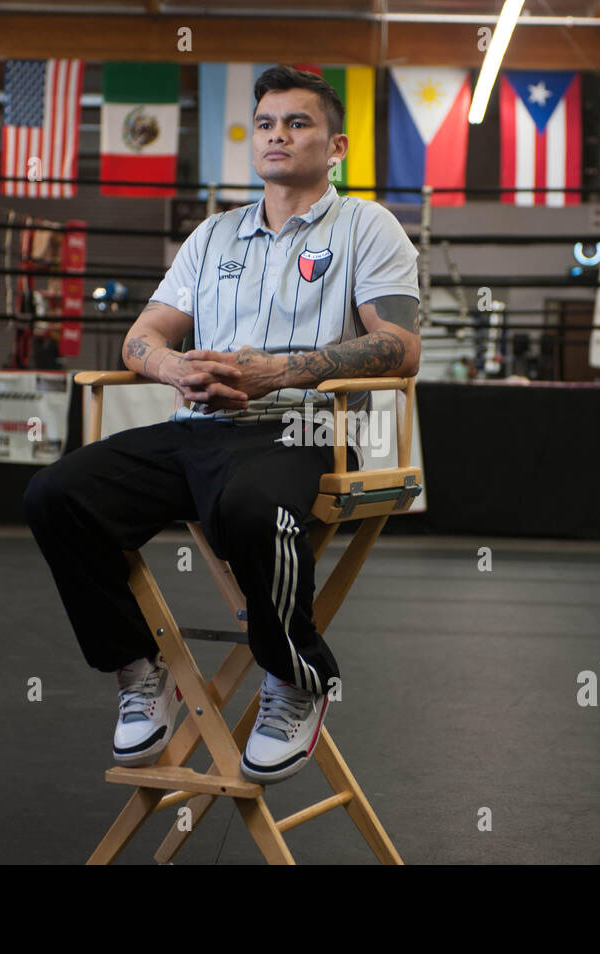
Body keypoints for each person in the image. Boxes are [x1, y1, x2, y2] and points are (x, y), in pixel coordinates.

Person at [24, 65, 420, 785]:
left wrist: (282, 369)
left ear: (336, 145)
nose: (277, 135)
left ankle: (296, 677)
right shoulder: (214, 235)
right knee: (56, 494)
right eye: (266, 123)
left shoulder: (368, 225)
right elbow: (141, 337)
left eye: (297, 123)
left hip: (304, 427)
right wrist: (177, 370)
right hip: (198, 425)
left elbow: (400, 346)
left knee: (251, 509)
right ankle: (141, 670)